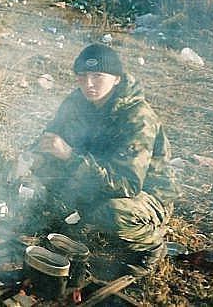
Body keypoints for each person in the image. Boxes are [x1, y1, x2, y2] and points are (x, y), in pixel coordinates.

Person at [22, 43, 176, 277]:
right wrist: (31, 157)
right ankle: (74, 215)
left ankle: (152, 245)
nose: (89, 84)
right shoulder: (76, 102)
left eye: (97, 76)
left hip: (145, 194)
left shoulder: (137, 118)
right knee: (42, 170)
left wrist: (70, 157)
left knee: (110, 213)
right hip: (97, 179)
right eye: (82, 76)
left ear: (116, 78)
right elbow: (50, 137)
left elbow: (128, 184)